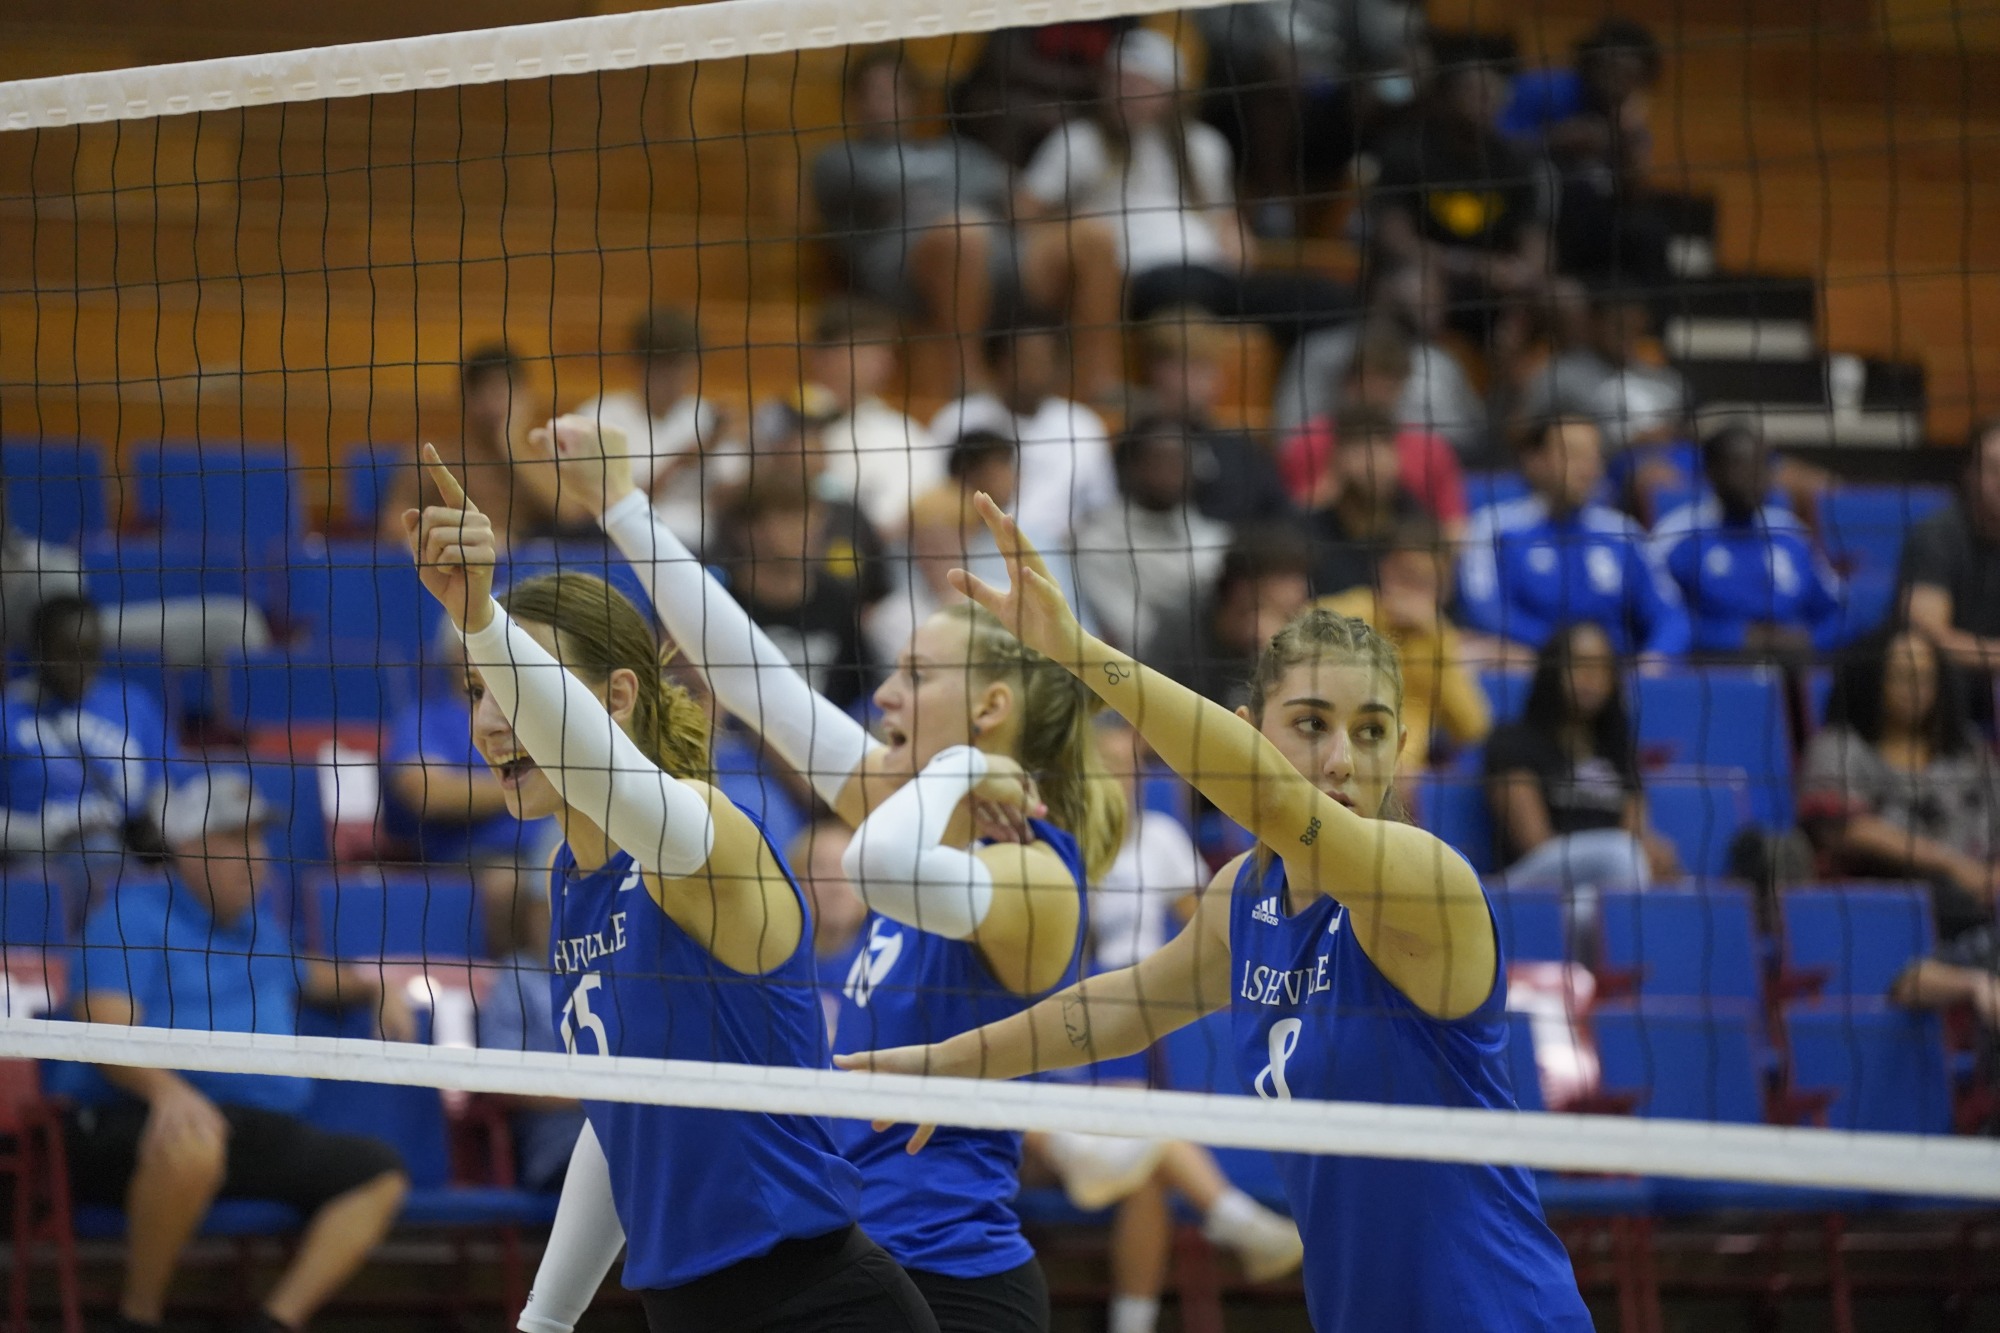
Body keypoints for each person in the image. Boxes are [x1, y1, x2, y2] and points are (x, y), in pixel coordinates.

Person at [840, 495, 1594, 1333]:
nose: (1343, 757)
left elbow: (1266, 795)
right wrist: (963, 1060)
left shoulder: (1421, 886)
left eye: (1373, 731)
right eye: (1310, 724)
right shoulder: (1246, 895)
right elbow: (1121, 1006)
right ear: (1249, 729)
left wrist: (1081, 655)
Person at [511, 415, 1123, 1333]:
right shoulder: (910, 817)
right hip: (846, 1260)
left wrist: (955, 771)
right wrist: (623, 507)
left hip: (956, 1286)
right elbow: (751, 678)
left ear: (992, 708)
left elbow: (878, 869)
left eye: (916, 675)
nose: (883, 693)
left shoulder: (1037, 878)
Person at [402, 444, 937, 1333]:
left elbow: (619, 782)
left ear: (615, 698)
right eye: (474, 688)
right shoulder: (573, 881)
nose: (493, 717)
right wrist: (544, 1319)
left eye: (509, 684)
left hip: (820, 1306)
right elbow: (623, 1124)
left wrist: (485, 623)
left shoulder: (701, 836)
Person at [53, 770, 413, 1333]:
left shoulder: (257, 931)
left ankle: (273, 1323)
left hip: (248, 1128)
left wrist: (376, 985)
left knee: (378, 1173)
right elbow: (104, 1030)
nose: (259, 855)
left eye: (260, 838)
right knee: (193, 1137)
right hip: (130, 1118)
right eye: (237, 839)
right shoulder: (128, 920)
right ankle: (136, 1318)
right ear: (189, 851)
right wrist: (168, 1091)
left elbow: (316, 976)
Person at [1021, 718, 1302, 1333]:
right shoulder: (1039, 843)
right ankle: (1228, 1213)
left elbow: (1217, 939)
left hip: (1129, 1027)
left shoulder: (1162, 839)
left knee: (1143, 1164)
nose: (1121, 780)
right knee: (1138, 1138)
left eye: (1131, 768)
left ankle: (1134, 1321)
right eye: (1105, 766)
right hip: (1045, 1049)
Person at [1018, 28, 1351, 397]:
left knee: (1330, 299)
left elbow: (1229, 229)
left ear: (1169, 93)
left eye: (1137, 84)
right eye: (1117, 82)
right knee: (1184, 298)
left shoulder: (1204, 146)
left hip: (1212, 277)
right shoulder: (1079, 142)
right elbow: (1025, 214)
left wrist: (1241, 249)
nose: (1123, 92)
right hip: (1144, 278)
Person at [810, 51, 1023, 393]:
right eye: (873, 92)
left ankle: (1100, 385)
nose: (884, 101)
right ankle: (967, 379)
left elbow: (1023, 199)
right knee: (963, 233)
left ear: (913, 98)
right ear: (856, 100)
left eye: (894, 90)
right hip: (897, 272)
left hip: (993, 262)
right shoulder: (838, 161)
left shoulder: (958, 152)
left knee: (1089, 238)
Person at [1368, 35, 1553, 378]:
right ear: (1445, 98)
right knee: (1413, 289)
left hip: (1493, 291)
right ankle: (1419, 384)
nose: (1485, 100)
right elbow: (1394, 240)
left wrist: (1521, 280)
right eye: (1472, 92)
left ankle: (1515, 410)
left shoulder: (1517, 161)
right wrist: (1468, 265)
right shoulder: (1407, 152)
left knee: (1557, 297)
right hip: (1434, 275)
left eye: (1493, 92)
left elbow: (1535, 244)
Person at [1484, 623, 1679, 941]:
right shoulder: (1513, 742)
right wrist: (1626, 850)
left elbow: (1638, 833)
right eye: (1579, 664)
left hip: (1596, 891)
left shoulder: (1617, 752)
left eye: (1601, 668)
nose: (1591, 677)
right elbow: (1534, 843)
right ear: (1553, 669)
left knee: (1605, 902)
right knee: (1621, 855)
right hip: (1529, 886)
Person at [1800, 629, 2000, 940]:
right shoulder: (1837, 747)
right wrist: (1952, 866)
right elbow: (1845, 830)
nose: (1917, 689)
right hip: (1887, 905)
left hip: (1984, 895)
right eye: (1903, 677)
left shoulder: (1969, 749)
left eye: (1927, 678)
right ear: (1871, 679)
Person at [1458, 414, 1690, 658]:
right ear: (1536, 460)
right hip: (1532, 667)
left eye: (1593, 456)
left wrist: (1654, 659)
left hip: (1617, 676)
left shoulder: (1624, 533)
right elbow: (1484, 611)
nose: (1587, 468)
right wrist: (1571, 654)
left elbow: (1670, 616)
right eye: (1574, 454)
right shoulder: (1495, 527)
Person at [1, 594, 173, 915]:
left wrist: (159, 829)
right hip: (40, 862)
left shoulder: (133, 702)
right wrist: (43, 835)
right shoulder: (7, 714)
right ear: (37, 652)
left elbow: (162, 790)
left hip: (126, 849)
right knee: (97, 853)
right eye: (67, 654)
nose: (82, 667)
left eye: (91, 653)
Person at [380, 624, 555, 895]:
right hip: (478, 856)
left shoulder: (537, 714)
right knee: (513, 883)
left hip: (554, 843)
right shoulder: (425, 720)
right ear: (457, 653)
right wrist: (539, 785)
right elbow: (428, 792)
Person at [1650, 425, 1845, 659]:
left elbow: (1841, 614)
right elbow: (1659, 620)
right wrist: (1733, 638)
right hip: (1716, 674)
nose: (1755, 477)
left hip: (1792, 672)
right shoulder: (1677, 537)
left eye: (1762, 465)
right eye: (1741, 465)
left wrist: (1809, 640)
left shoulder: (1790, 533)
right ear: (1712, 471)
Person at [1501, 19, 1669, 286]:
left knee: (1648, 232)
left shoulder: (1629, 117)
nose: (1619, 82)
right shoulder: (1541, 88)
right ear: (1591, 62)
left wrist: (1626, 142)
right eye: (1611, 69)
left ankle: (1646, 318)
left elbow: (1636, 193)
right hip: (1530, 205)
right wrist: (1555, 140)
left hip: (1591, 219)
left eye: (1629, 75)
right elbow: (1494, 148)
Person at [1318, 518, 1492, 772]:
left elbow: (1473, 728)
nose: (1415, 592)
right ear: (1384, 570)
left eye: (1429, 582)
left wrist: (1433, 638)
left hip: (1403, 780)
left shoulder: (1437, 634)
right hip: (1333, 763)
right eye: (1408, 576)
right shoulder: (1340, 614)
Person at [929, 314, 1118, 545]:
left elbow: (1101, 508)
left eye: (1043, 361)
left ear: (1059, 365)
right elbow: (935, 498)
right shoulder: (958, 419)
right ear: (996, 362)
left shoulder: (1082, 425)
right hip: (974, 544)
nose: (1034, 372)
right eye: (1023, 360)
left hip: (1061, 554)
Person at [1275, 319, 1470, 536]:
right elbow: (1291, 518)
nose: (1377, 397)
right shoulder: (1308, 442)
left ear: (1401, 387)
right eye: (1369, 383)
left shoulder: (1431, 448)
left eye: (1387, 388)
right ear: (1349, 383)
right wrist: (1344, 479)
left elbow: (1454, 526)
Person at [1271, 263, 1487, 459]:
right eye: (1423, 286)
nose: (1433, 296)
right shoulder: (1320, 354)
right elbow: (1288, 444)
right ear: (1382, 288)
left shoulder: (1442, 364)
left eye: (1436, 288)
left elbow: (1474, 441)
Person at [713, 468, 877, 716]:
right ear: (747, 530)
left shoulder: (836, 599)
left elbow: (860, 691)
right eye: (790, 516)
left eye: (814, 516)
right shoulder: (718, 604)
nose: (809, 528)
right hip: (742, 746)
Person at [568, 309, 735, 550]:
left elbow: (732, 499)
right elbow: (590, 509)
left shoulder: (707, 417)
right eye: (664, 367)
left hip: (703, 550)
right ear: (640, 363)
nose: (675, 378)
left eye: (683, 366)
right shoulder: (600, 415)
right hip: (621, 548)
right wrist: (682, 462)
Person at [1071, 415, 1235, 658]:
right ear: (1129, 467)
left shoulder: (1219, 540)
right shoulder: (1097, 544)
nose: (1172, 471)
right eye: (1160, 460)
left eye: (1181, 461)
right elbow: (1137, 633)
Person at [381, 344, 562, 550]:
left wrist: (511, 447)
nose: (495, 403)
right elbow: (394, 525)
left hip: (524, 570)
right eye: (487, 391)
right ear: (467, 396)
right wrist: (459, 539)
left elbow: (569, 515)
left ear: (524, 397)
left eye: (505, 390)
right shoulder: (433, 455)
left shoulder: (542, 457)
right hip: (452, 566)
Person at [474, 868, 587, 1194]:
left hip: (626, 1134)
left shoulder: (618, 974)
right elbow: (500, 1078)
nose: (557, 918)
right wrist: (595, 1096)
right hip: (559, 1145)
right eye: (547, 906)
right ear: (530, 914)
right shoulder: (517, 977)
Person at [805, 297, 947, 542]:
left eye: (886, 350)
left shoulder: (904, 432)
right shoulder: (782, 419)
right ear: (824, 355)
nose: (884, 360)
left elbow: (930, 508)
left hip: (886, 567)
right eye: (868, 348)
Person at [1132, 313, 1293, 527]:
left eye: (1204, 366)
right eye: (1181, 366)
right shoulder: (1134, 447)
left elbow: (1280, 516)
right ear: (1155, 370)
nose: (1194, 380)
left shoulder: (1242, 452)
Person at [1151, 531, 1314, 711]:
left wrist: (1275, 656)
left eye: (1301, 578)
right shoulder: (1180, 628)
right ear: (1243, 587)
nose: (1302, 591)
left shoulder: (1297, 636)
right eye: (1286, 578)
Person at [1901, 419, 2000, 696]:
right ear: (1970, 473)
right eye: (1994, 469)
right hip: (1942, 699)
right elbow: (1931, 637)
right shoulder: (1936, 536)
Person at [1302, 404, 1427, 596]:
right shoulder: (1308, 533)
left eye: (1384, 447)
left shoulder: (1419, 525)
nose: (1375, 462)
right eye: (1360, 450)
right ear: (1336, 458)